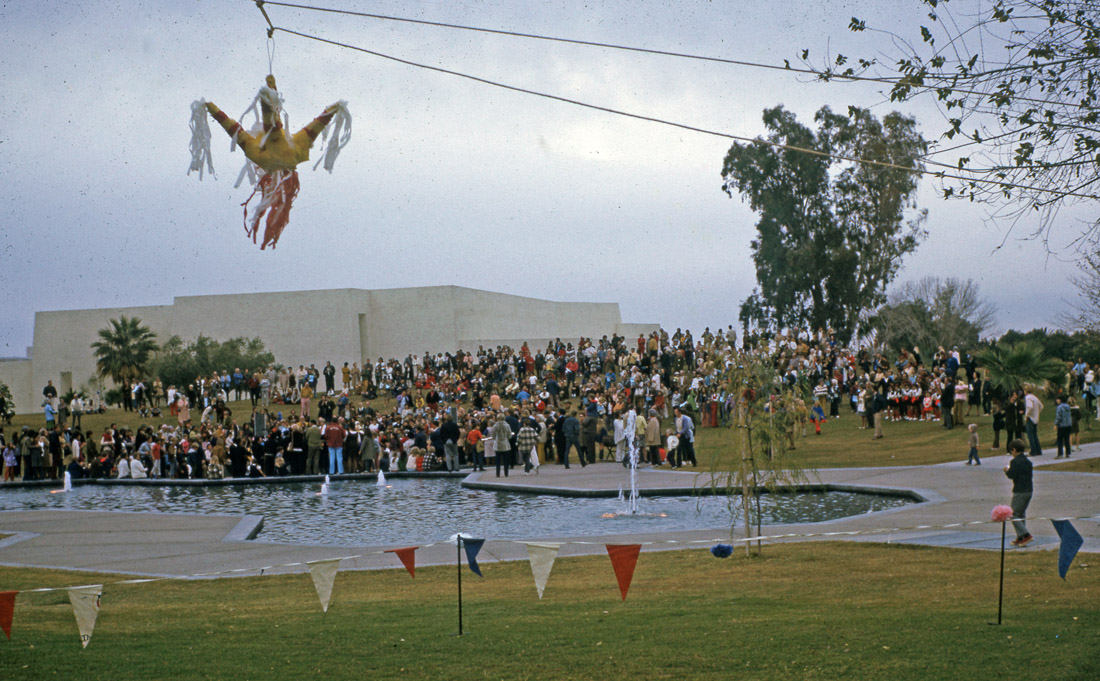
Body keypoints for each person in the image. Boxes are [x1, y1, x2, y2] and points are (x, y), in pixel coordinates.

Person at [1004, 439, 1033, 546]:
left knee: (1012, 514)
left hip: (1019, 491)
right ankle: (1020, 537)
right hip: (1029, 490)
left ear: (1014, 450)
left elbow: (1012, 475)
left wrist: (1007, 470)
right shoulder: (1028, 461)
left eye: (1011, 451)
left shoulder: (1014, 462)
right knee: (1020, 514)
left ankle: (1026, 535)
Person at [1023, 385, 1044, 456]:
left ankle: (1033, 451)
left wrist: (1027, 415)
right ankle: (1038, 450)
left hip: (1030, 418)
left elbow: (1030, 406)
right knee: (1035, 434)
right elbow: (1041, 406)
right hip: (1035, 418)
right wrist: (1037, 412)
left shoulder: (1027, 397)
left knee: (1030, 435)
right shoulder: (1035, 397)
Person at [1053, 394, 1072, 458]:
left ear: (1060, 400)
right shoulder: (1068, 406)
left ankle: (1060, 453)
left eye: (1057, 399)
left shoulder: (1059, 407)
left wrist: (1056, 424)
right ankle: (1068, 453)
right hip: (1068, 425)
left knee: (1060, 440)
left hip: (1062, 425)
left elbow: (1058, 417)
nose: (1056, 400)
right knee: (1067, 439)